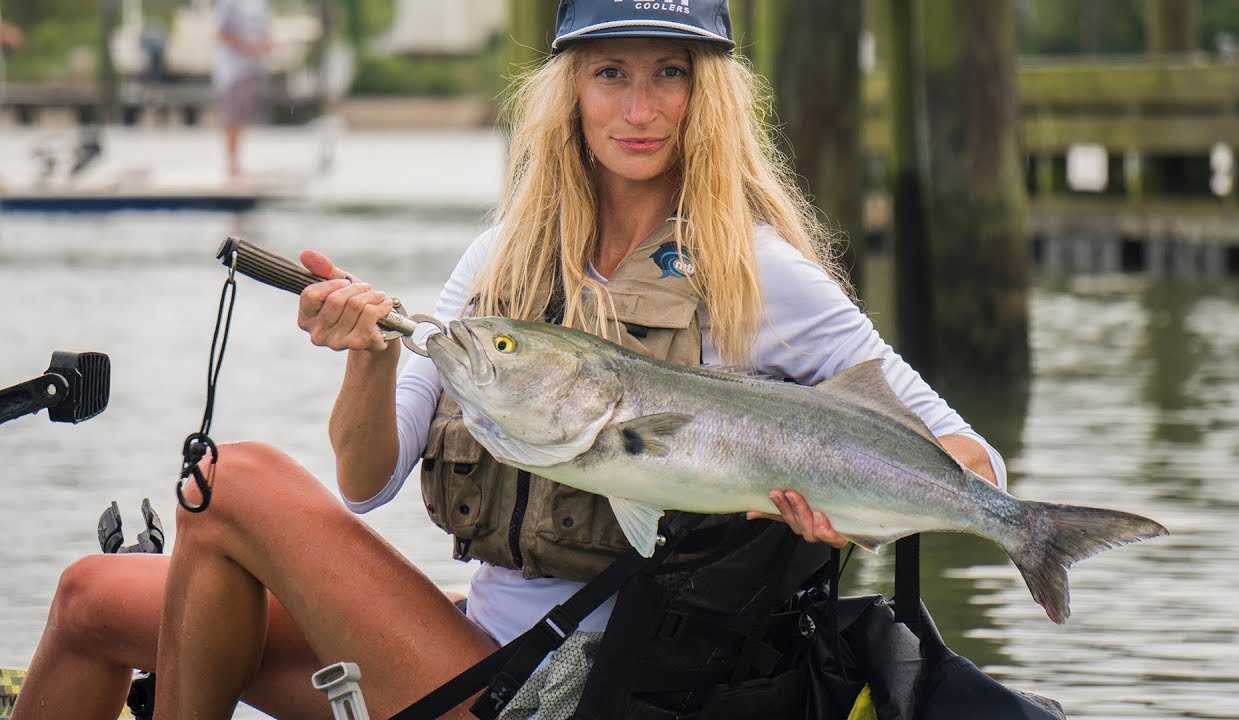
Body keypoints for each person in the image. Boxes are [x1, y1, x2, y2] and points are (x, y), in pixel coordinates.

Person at [10, 1, 1006, 718]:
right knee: (91, 597)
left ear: (709, 95)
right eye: (609, 71)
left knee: (231, 482)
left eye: (669, 72)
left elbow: (971, 459)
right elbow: (365, 483)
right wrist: (360, 355)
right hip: (471, 641)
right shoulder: (498, 260)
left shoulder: (758, 274)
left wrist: (863, 500)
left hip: (572, 689)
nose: (639, 106)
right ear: (569, 88)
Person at [213, 0, 273, 180]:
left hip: (253, 67)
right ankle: (232, 166)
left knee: (243, 117)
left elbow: (266, 28)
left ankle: (237, 164)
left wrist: (267, 43)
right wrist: (249, 47)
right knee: (233, 117)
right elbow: (222, 33)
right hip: (233, 69)